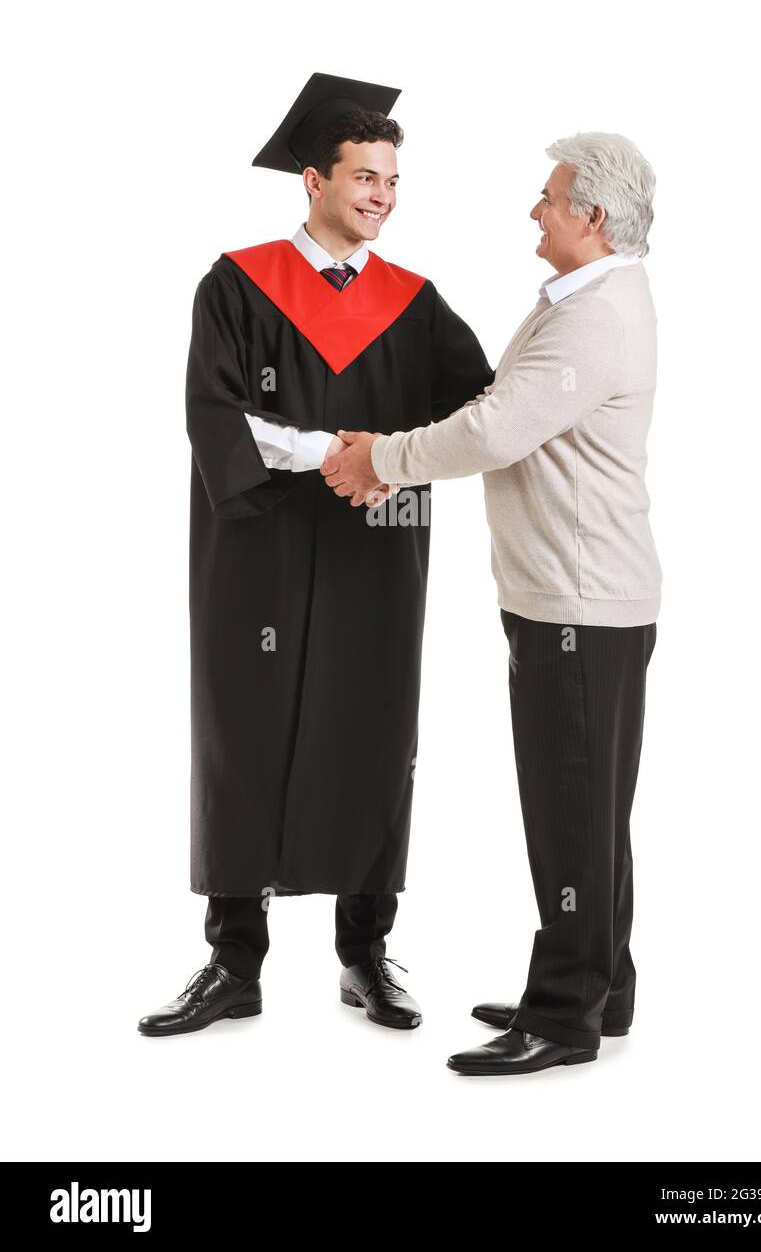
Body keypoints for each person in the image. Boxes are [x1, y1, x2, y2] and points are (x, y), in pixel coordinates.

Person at [138, 74, 493, 1038]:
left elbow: (487, 409)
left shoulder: (415, 303)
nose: (381, 194)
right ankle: (233, 961)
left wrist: (400, 461)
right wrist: (333, 450)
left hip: (376, 543)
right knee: (243, 727)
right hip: (259, 537)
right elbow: (213, 411)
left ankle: (365, 954)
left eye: (392, 180)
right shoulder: (238, 281)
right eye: (365, 176)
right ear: (312, 180)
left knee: (374, 726)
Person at [323, 131, 661, 1075]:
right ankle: (603, 984)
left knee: (568, 811)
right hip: (582, 598)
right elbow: (499, 408)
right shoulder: (589, 299)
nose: (534, 210)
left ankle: (561, 1017)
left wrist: (378, 458)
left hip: (578, 605)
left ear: (592, 217)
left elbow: (497, 427)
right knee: (593, 811)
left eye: (549, 197)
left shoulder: (597, 315)